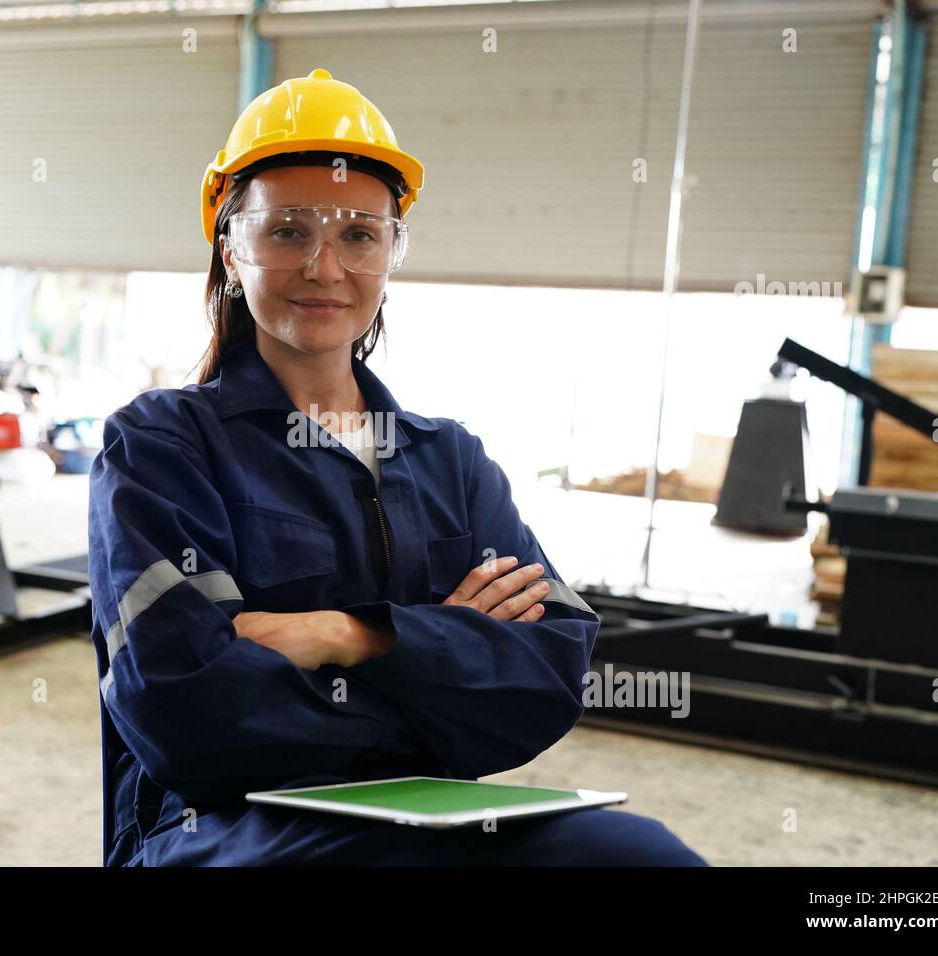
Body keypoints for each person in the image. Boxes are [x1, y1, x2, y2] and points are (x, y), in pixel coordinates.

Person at [88, 67, 707, 867]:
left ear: (389, 255)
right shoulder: (161, 445)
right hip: (215, 828)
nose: (324, 266)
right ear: (231, 252)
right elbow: (183, 706)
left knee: (641, 858)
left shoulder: (449, 459)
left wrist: (355, 636)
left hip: (427, 810)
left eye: (358, 234)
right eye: (286, 231)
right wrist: (441, 667)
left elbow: (548, 676)